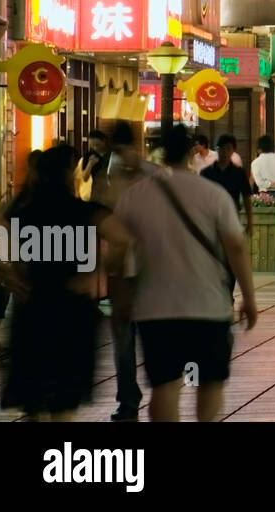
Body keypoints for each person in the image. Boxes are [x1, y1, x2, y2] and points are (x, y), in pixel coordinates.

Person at [115, 126, 258, 422]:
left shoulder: (135, 196)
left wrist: (122, 299)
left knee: (165, 386)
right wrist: (249, 297)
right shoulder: (213, 194)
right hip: (209, 306)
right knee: (210, 381)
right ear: (193, 153)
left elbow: (117, 254)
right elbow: (236, 247)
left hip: (156, 309)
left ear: (161, 153)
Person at [0, 145, 132, 421]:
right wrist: (98, 270)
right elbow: (124, 239)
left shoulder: (21, 212)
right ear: (66, 175)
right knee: (63, 403)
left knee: (33, 401)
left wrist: (9, 277)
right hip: (72, 312)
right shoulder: (83, 212)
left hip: (32, 310)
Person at [102, 121, 159, 421]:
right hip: (148, 268)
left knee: (125, 339)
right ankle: (147, 395)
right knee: (143, 336)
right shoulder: (154, 172)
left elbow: (112, 217)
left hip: (129, 268)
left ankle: (129, 401)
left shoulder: (115, 172)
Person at [201, 134, 254, 241]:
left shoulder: (239, 173)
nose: (224, 152)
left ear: (234, 150)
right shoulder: (206, 173)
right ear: (216, 150)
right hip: (211, 219)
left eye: (228, 148)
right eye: (221, 149)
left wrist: (250, 222)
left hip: (232, 218)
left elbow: (246, 197)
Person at [78, 130, 112, 202]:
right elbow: (85, 178)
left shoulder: (112, 154)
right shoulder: (89, 155)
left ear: (104, 141)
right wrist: (90, 164)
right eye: (92, 146)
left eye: (97, 145)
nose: (95, 148)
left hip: (112, 191)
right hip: (96, 193)